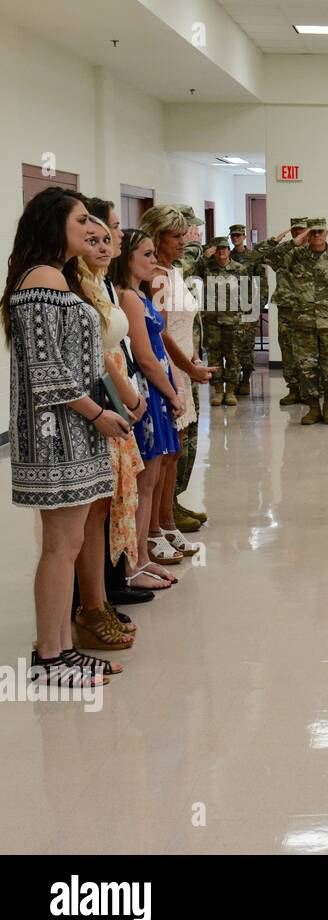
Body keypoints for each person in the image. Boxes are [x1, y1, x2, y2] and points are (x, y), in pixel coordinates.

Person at [2, 187, 132, 687]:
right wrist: (97, 412)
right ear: (55, 225)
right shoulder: (42, 278)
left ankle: (61, 648)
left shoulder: (59, 276)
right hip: (55, 430)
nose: (91, 229)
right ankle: (50, 658)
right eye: (81, 221)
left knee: (70, 539)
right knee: (60, 544)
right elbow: (46, 369)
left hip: (73, 428)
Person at [69, 217, 145, 652]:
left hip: (114, 396)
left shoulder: (99, 285)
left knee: (106, 505)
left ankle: (98, 602)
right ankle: (90, 607)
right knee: (92, 508)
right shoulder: (74, 289)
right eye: (92, 238)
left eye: (106, 237)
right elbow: (99, 356)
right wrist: (128, 398)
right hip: (98, 401)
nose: (103, 245)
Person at [111, 229, 187, 592]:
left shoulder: (140, 294)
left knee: (153, 477)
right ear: (127, 257)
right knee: (143, 481)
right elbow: (144, 356)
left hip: (160, 390)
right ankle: (134, 560)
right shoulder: (126, 297)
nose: (154, 261)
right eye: (146, 254)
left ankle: (143, 555)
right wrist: (171, 393)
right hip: (149, 390)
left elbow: (158, 345)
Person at [140, 205, 214, 542]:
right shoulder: (156, 276)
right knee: (167, 455)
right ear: (157, 237)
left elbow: (181, 326)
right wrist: (187, 367)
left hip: (182, 368)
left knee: (175, 453)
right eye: (175, 235)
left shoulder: (171, 271)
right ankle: (158, 529)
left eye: (184, 234)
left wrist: (192, 357)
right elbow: (160, 333)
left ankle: (168, 520)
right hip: (170, 371)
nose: (183, 241)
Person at [270, 218, 328, 425]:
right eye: (312, 232)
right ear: (307, 234)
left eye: (320, 232)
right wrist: (296, 240)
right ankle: (313, 408)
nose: (316, 236)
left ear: (326, 233)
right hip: (303, 322)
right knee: (306, 367)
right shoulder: (296, 255)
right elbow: (273, 257)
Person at [192, 235, 247, 407]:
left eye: (224, 248)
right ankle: (218, 391)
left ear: (229, 250)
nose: (221, 251)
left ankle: (230, 391)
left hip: (233, 320)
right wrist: (203, 256)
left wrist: (248, 318)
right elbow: (191, 272)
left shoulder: (240, 269)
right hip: (211, 319)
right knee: (214, 355)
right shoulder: (206, 268)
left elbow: (247, 294)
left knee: (233, 355)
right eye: (218, 249)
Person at [262, 217, 309, 405]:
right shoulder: (282, 255)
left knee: (309, 350)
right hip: (286, 309)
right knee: (288, 350)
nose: (298, 233)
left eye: (302, 230)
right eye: (295, 230)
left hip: (308, 308)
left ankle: (311, 390)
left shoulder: (314, 252)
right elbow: (262, 254)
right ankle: (294, 389)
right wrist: (281, 240)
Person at [229, 223, 266, 396]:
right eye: (233, 236)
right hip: (229, 309)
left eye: (238, 235)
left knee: (246, 347)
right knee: (231, 347)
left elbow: (262, 284)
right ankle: (233, 381)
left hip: (248, 307)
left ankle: (245, 378)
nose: (235, 238)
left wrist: (257, 307)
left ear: (244, 237)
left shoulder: (253, 257)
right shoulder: (225, 257)